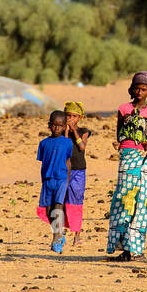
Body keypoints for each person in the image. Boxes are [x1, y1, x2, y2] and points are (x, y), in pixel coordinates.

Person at [106, 72, 147, 261]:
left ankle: (135, 249)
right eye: (137, 88)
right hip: (126, 161)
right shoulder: (123, 109)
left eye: (144, 89)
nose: (139, 92)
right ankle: (124, 247)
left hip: (142, 163)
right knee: (122, 201)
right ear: (132, 88)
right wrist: (126, 154)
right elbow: (119, 136)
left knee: (139, 204)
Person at [35, 110, 74, 254]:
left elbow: (68, 161)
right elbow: (43, 162)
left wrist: (68, 179)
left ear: (65, 127)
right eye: (54, 125)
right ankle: (59, 233)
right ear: (49, 125)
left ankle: (56, 239)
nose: (57, 128)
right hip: (47, 180)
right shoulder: (43, 143)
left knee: (58, 208)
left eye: (60, 125)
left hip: (61, 179)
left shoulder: (67, 143)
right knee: (49, 211)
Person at [63, 101, 90, 247]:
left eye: (74, 116)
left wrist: (73, 131)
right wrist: (66, 131)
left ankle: (77, 235)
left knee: (77, 201)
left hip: (78, 171)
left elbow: (81, 146)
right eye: (68, 116)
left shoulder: (84, 131)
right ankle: (61, 233)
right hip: (64, 170)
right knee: (62, 200)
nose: (70, 119)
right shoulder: (60, 133)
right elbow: (65, 146)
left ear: (79, 118)